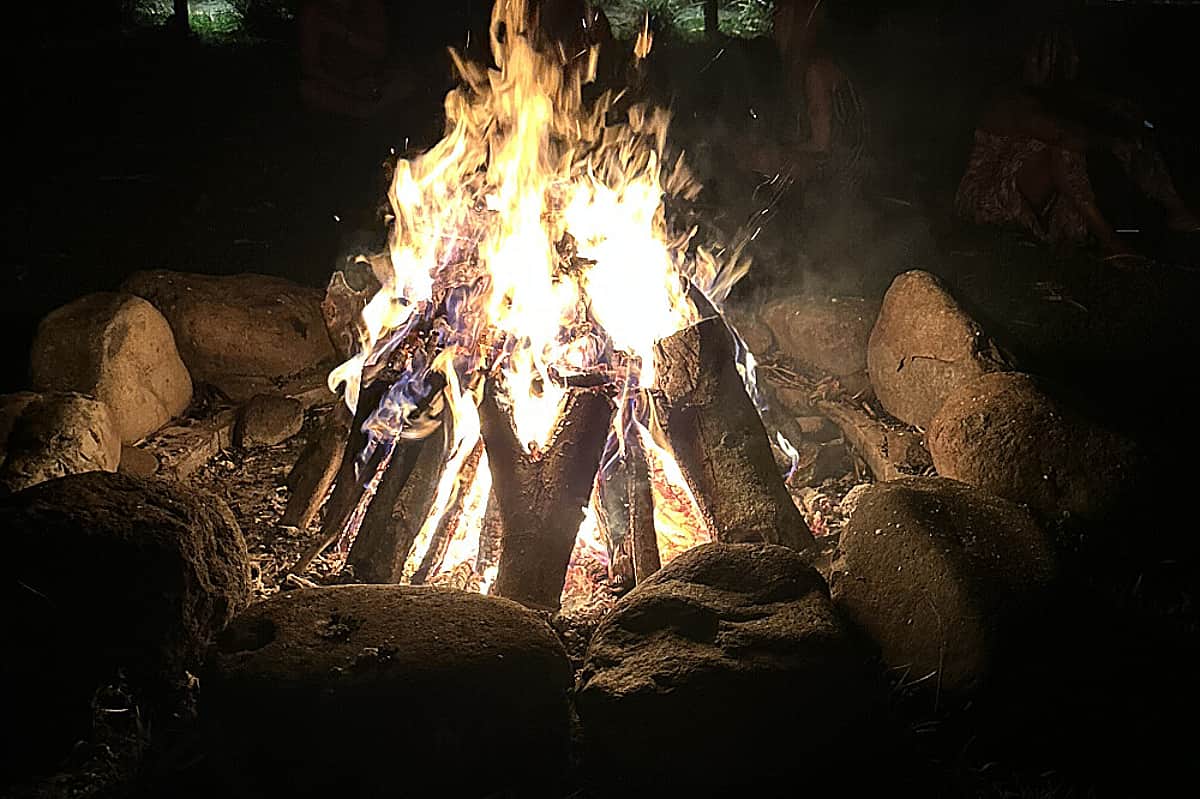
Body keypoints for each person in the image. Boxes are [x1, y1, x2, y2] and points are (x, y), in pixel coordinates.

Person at [956, 25, 1199, 262]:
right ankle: (1111, 242)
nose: (1069, 60)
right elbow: (1062, 134)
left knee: (1121, 132)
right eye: (1053, 52)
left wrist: (1125, 123)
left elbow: (1116, 115)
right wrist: (1111, 141)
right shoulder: (1010, 98)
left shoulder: (1065, 96)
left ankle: (1176, 210)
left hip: (1035, 201)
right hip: (988, 201)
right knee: (1065, 146)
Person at [737, 0, 871, 205]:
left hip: (846, 179)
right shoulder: (800, 70)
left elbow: (822, 147)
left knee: (765, 161)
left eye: (782, 14)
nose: (776, 23)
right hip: (840, 172)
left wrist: (773, 155)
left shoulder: (816, 72)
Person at [299, 0, 412, 120]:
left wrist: (343, 32)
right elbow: (311, 67)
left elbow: (380, 50)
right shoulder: (314, 12)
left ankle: (369, 106)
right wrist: (349, 87)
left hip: (373, 79)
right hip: (338, 84)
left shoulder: (370, 6)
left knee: (406, 81)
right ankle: (363, 109)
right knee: (309, 90)